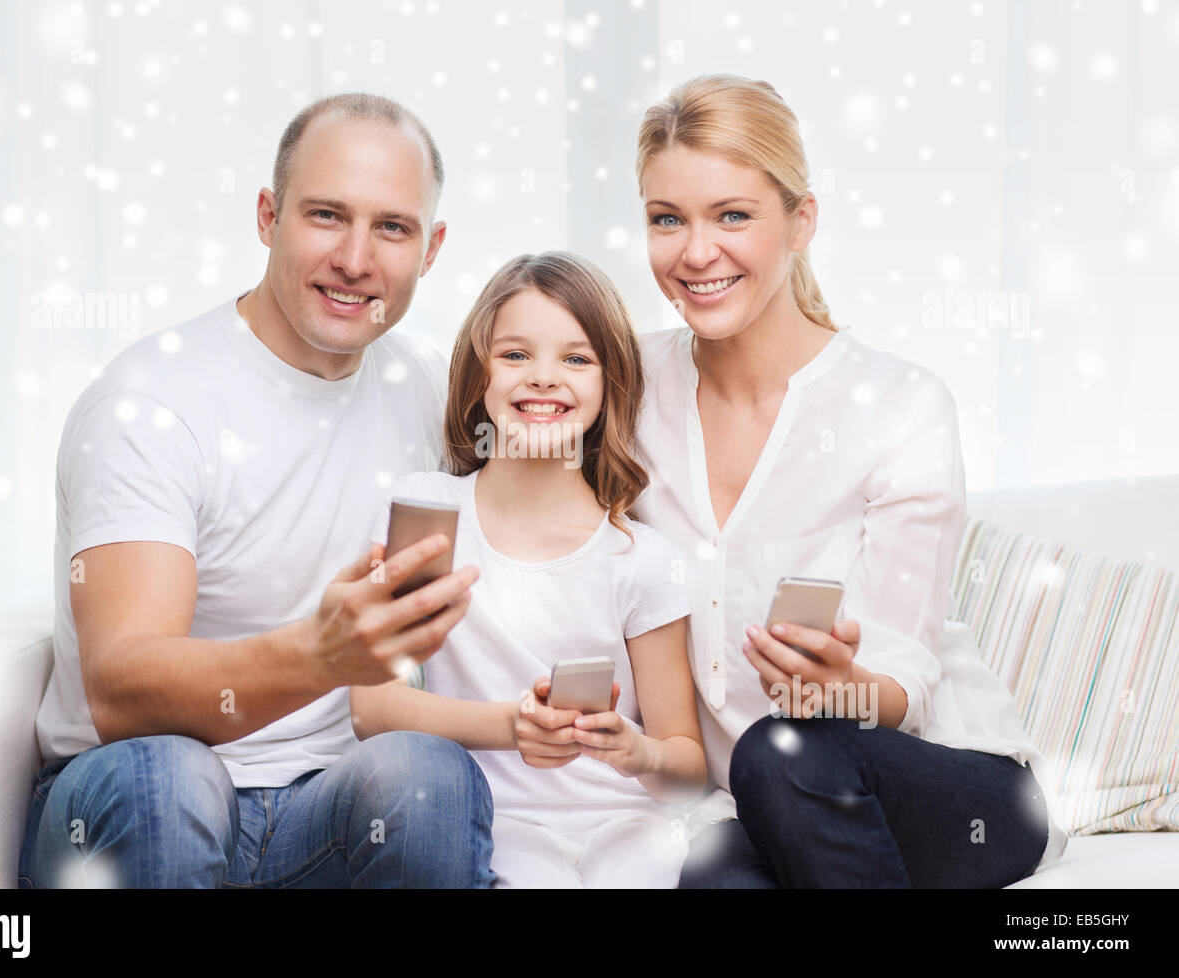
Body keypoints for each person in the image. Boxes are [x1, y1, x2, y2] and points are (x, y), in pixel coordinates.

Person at [17, 93, 497, 889]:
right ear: (269, 217)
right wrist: (318, 654)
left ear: (431, 248)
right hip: (135, 802)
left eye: (391, 227)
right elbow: (121, 691)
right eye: (326, 216)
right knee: (169, 780)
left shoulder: (429, 387)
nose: (355, 259)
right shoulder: (149, 404)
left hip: (322, 811)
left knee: (429, 776)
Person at [628, 75, 1067, 887]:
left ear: (801, 221)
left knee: (783, 749)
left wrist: (846, 687)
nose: (695, 252)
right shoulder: (625, 387)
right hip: (754, 807)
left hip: (948, 783)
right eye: (667, 218)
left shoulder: (901, 404)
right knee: (712, 878)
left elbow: (904, 682)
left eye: (732, 215)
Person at [349, 252, 707, 888]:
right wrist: (512, 728)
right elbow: (373, 707)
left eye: (576, 359)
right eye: (515, 355)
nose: (543, 378)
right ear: (478, 375)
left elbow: (685, 765)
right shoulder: (428, 511)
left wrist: (638, 751)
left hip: (629, 822)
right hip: (500, 822)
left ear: (611, 383)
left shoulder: (643, 559)